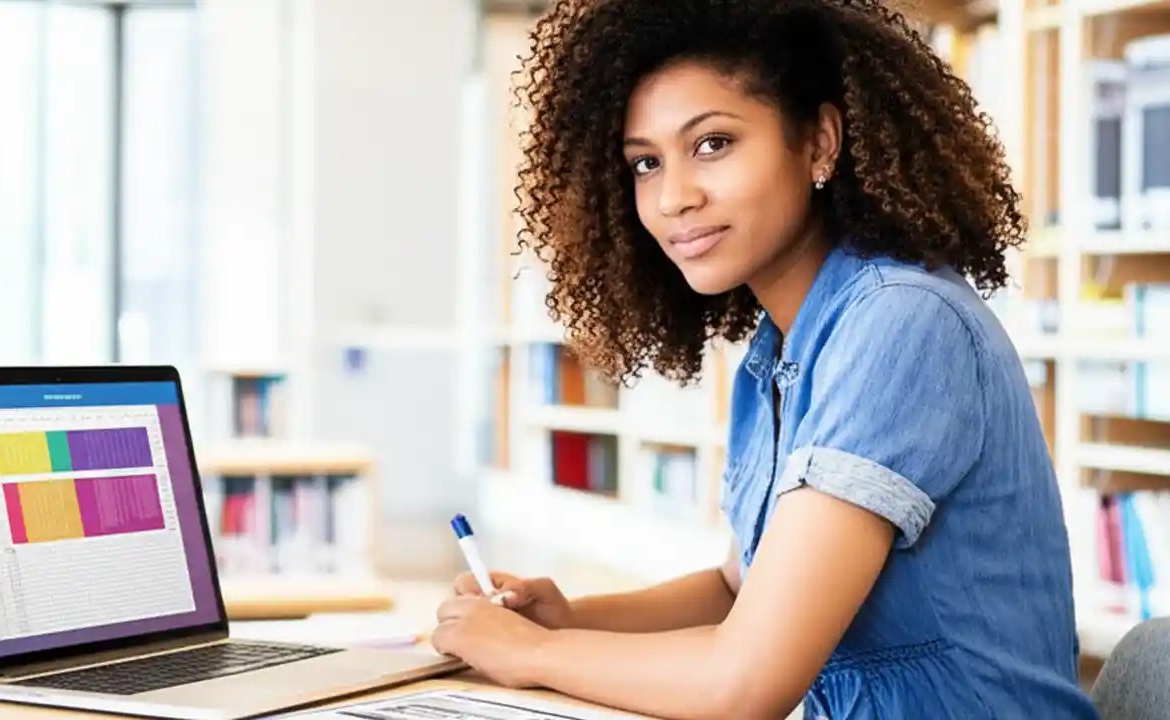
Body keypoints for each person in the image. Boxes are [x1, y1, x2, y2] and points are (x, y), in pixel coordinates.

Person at [430, 1, 1100, 718]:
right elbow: (739, 588)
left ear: (819, 143)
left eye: (713, 143)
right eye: (646, 163)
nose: (674, 197)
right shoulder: (783, 349)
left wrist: (530, 655)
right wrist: (566, 619)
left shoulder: (902, 321)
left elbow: (746, 684)